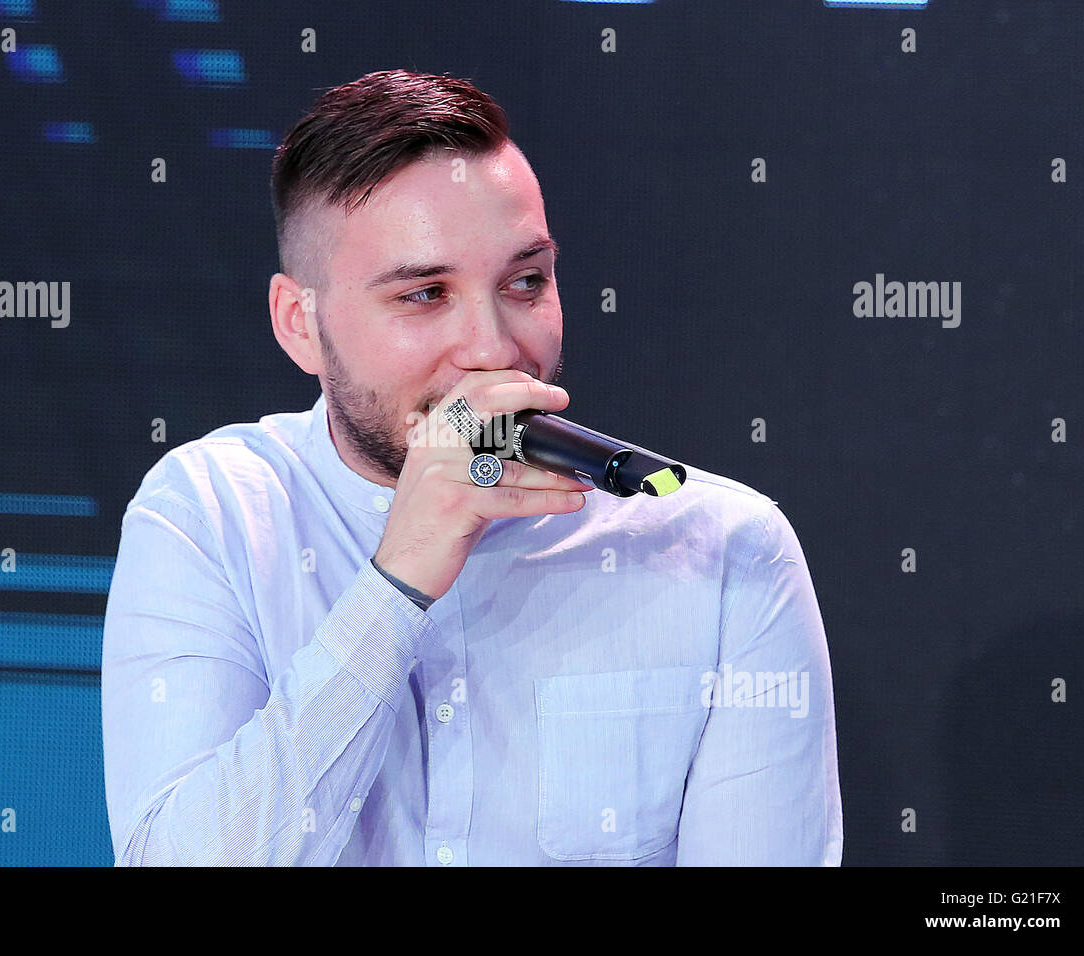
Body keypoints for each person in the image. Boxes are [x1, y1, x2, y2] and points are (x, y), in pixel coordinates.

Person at [101, 69, 842, 866]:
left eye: (526, 282)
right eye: (425, 294)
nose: (492, 348)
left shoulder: (723, 551)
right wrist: (399, 580)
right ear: (300, 326)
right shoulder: (211, 512)